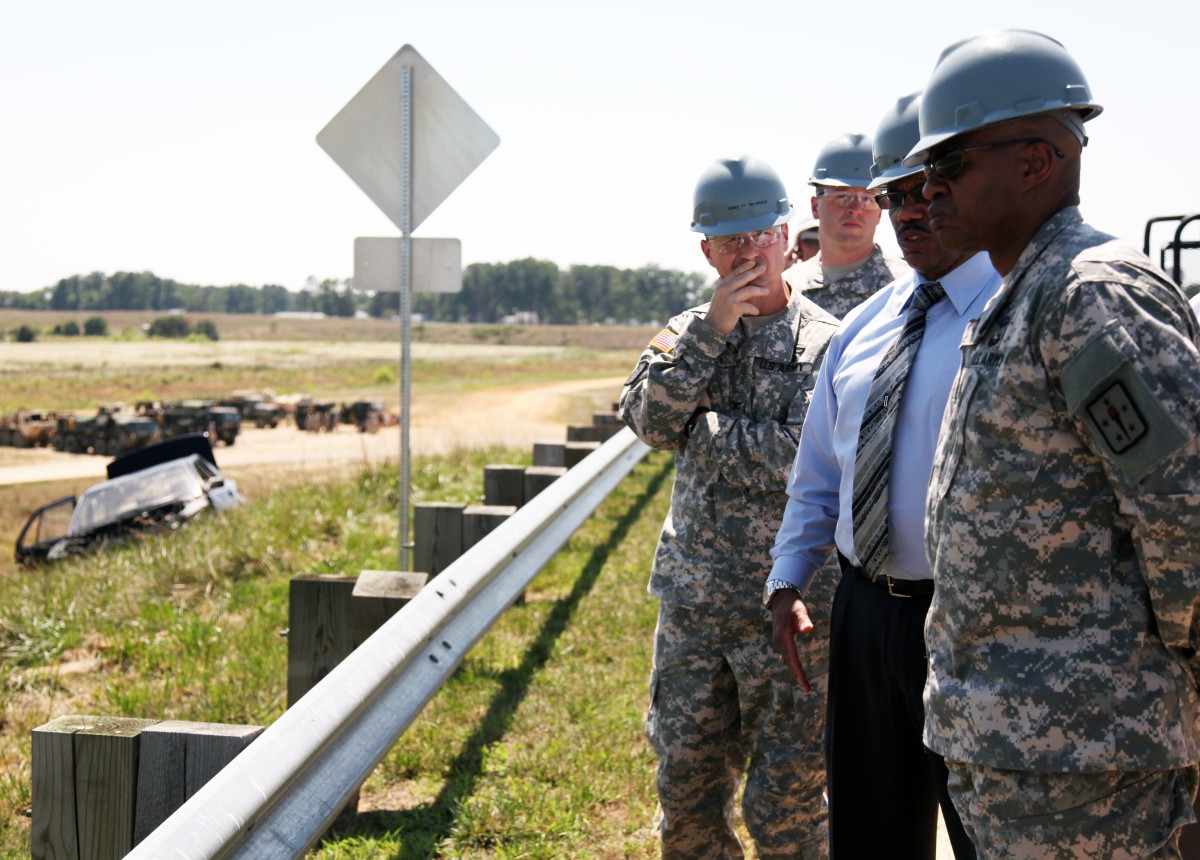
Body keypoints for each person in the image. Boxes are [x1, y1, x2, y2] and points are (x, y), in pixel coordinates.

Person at [904, 30, 1200, 857]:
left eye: (951, 166)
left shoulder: (1089, 295)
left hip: (1088, 760)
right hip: (1018, 749)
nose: (928, 192)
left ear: (1036, 161)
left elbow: (1187, 518)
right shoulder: (1024, 291)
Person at [766, 91, 992, 860]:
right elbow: (820, 472)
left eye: (930, 190)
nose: (911, 212)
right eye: (894, 195)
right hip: (867, 615)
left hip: (975, 624)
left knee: (987, 835)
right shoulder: (864, 328)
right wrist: (788, 578)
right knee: (870, 834)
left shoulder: (1016, 312)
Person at [619, 155, 839, 859]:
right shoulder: (687, 332)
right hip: (694, 607)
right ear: (706, 250)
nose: (749, 254)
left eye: (761, 238)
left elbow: (808, 455)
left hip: (791, 606)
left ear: (783, 236)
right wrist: (710, 333)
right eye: (731, 243)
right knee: (685, 789)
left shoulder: (826, 342)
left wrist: (707, 430)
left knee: (787, 805)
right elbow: (651, 423)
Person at [784, 132, 908, 318]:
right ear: (815, 207)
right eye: (842, 196)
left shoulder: (908, 288)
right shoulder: (787, 290)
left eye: (867, 199)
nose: (856, 208)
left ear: (880, 209)